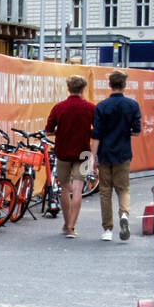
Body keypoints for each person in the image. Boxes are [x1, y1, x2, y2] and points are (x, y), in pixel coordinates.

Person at [90, 70, 141, 241]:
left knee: (105, 191)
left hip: (105, 153)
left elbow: (96, 134)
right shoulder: (132, 106)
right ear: (124, 85)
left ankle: (107, 229)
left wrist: (93, 157)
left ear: (109, 85)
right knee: (123, 188)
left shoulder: (101, 107)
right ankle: (124, 214)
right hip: (123, 153)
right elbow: (136, 131)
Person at [43, 75, 96, 238]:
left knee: (65, 189)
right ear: (83, 89)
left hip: (63, 152)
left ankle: (66, 224)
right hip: (83, 152)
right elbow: (97, 130)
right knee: (78, 189)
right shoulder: (90, 108)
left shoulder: (59, 107)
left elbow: (49, 130)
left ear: (69, 89)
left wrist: (61, 131)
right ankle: (72, 227)